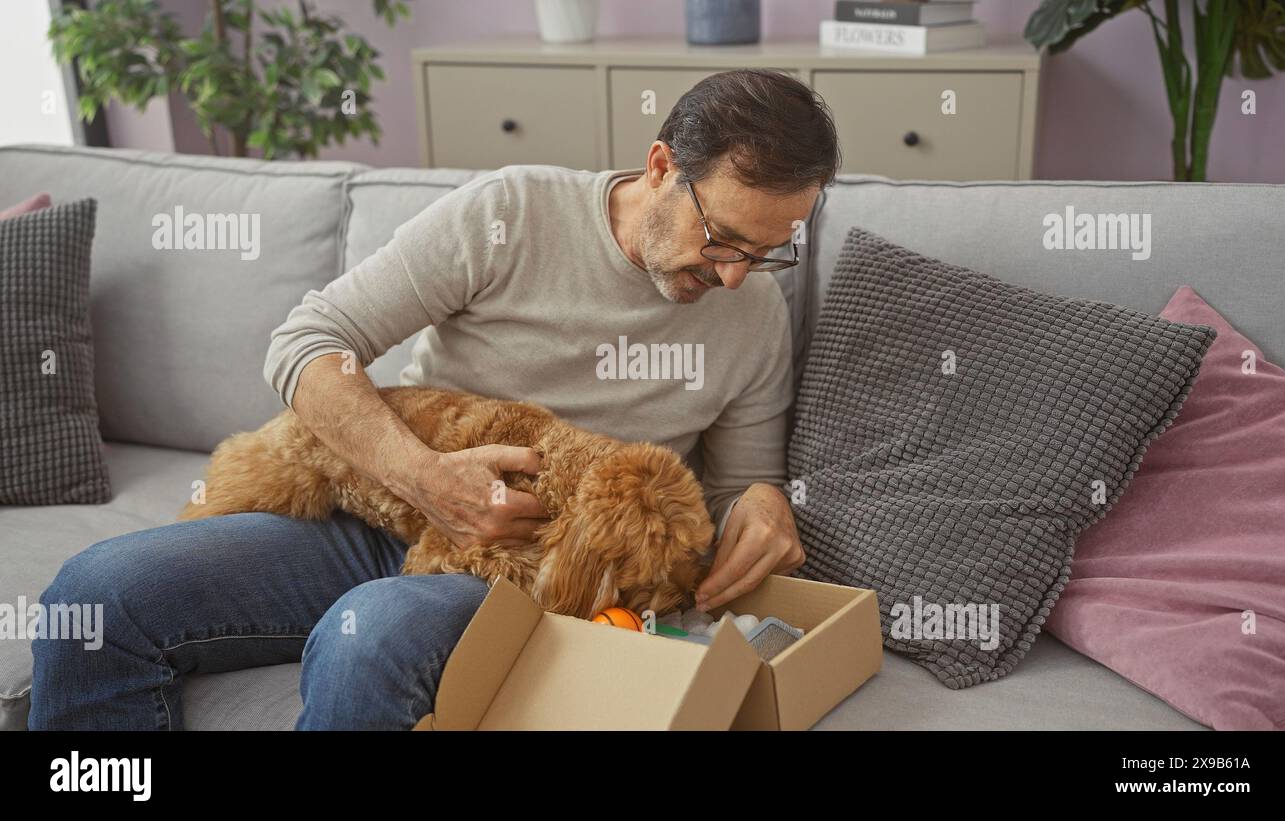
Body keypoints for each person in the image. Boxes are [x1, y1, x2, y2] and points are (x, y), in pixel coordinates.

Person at [29, 68, 841, 730]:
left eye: (767, 253)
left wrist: (761, 504)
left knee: (370, 641)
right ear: (662, 168)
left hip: (525, 573)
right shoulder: (511, 214)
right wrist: (424, 477)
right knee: (96, 595)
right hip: (382, 512)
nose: (735, 274)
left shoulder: (753, 313)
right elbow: (309, 345)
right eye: (725, 239)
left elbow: (737, 487)